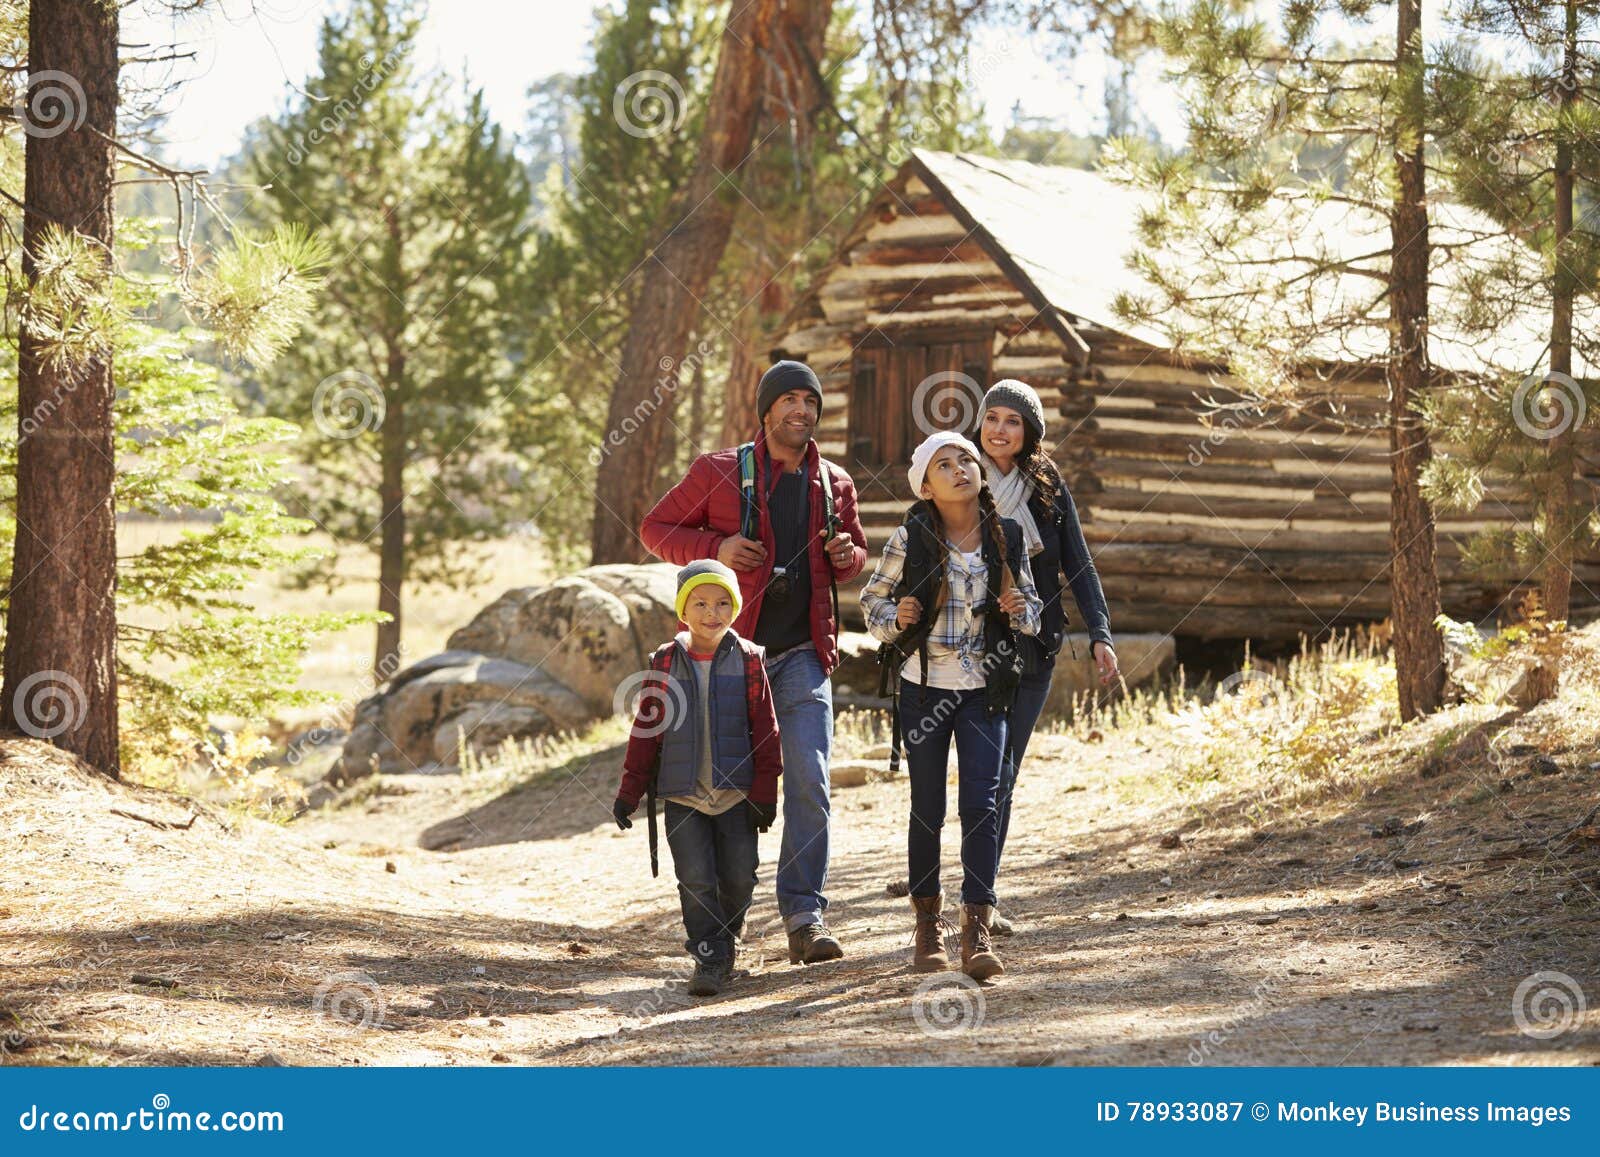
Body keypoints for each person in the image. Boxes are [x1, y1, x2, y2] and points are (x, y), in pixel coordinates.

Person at [640, 360, 868, 965]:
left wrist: (847, 555)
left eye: (809, 401)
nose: (800, 410)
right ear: (766, 412)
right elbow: (654, 529)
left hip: (801, 658)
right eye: (788, 400)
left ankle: (804, 917)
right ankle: (720, 936)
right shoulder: (718, 472)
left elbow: (853, 559)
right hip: (731, 663)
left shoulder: (834, 483)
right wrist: (715, 547)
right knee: (722, 793)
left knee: (812, 783)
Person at [859, 431, 1042, 979]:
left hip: (987, 693)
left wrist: (1017, 607)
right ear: (926, 485)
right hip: (923, 690)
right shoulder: (911, 536)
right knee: (927, 807)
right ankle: (926, 924)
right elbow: (873, 601)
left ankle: (977, 925)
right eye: (945, 463)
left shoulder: (1007, 535)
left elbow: (1033, 612)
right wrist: (898, 619)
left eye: (966, 458)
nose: (960, 467)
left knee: (982, 805)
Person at [976, 381, 1119, 936]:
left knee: (1005, 772)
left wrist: (1100, 633)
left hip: (1035, 646)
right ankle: (966, 893)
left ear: (1029, 431)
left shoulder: (1047, 486)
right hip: (972, 650)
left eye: (1013, 420)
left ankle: (980, 897)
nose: (999, 429)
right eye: (992, 417)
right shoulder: (960, 475)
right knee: (987, 771)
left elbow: (1078, 565)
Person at [612, 560, 781, 997]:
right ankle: (709, 956)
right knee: (695, 878)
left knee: (740, 875)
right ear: (683, 612)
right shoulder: (665, 661)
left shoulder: (748, 660)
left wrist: (765, 792)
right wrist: (629, 792)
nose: (713, 612)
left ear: (736, 608)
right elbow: (646, 731)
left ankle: (727, 937)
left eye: (723, 603)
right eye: (701, 604)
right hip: (683, 795)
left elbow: (766, 730)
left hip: (736, 794)